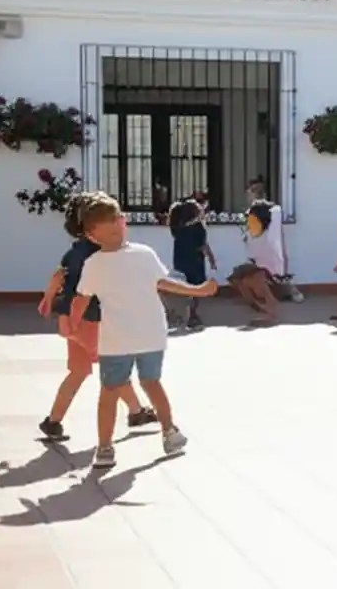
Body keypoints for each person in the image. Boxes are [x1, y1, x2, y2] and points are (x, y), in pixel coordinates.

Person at [68, 192, 218, 468]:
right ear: (91, 234)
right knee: (110, 391)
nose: (115, 226)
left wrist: (197, 290)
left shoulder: (144, 254)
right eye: (106, 224)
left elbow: (164, 282)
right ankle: (104, 446)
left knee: (152, 383)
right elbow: (81, 298)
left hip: (151, 336)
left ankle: (169, 431)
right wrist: (72, 323)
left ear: (124, 221)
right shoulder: (93, 265)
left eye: (116, 219)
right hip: (115, 341)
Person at [36, 194, 158, 441]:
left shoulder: (74, 251)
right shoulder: (101, 253)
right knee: (113, 367)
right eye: (110, 220)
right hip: (88, 320)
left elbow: (59, 276)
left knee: (79, 372)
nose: (116, 225)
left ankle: (53, 421)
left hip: (73, 321)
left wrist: (50, 301)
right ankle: (136, 411)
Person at [245, 176, 303, 303]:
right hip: (270, 246)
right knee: (276, 273)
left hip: (261, 246)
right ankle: (284, 294)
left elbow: (253, 231)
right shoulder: (274, 210)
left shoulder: (254, 211)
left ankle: (273, 297)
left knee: (266, 273)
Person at [228, 201, 283, 325]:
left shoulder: (270, 231)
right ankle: (264, 309)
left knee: (257, 280)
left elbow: (277, 210)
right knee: (242, 280)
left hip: (270, 267)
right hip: (259, 264)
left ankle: (272, 313)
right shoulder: (254, 231)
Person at [169, 199, 217, 329]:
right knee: (196, 288)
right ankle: (192, 316)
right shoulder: (198, 227)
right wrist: (211, 259)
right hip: (195, 260)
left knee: (184, 286)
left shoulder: (177, 226)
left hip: (180, 259)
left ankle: (180, 314)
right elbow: (202, 245)